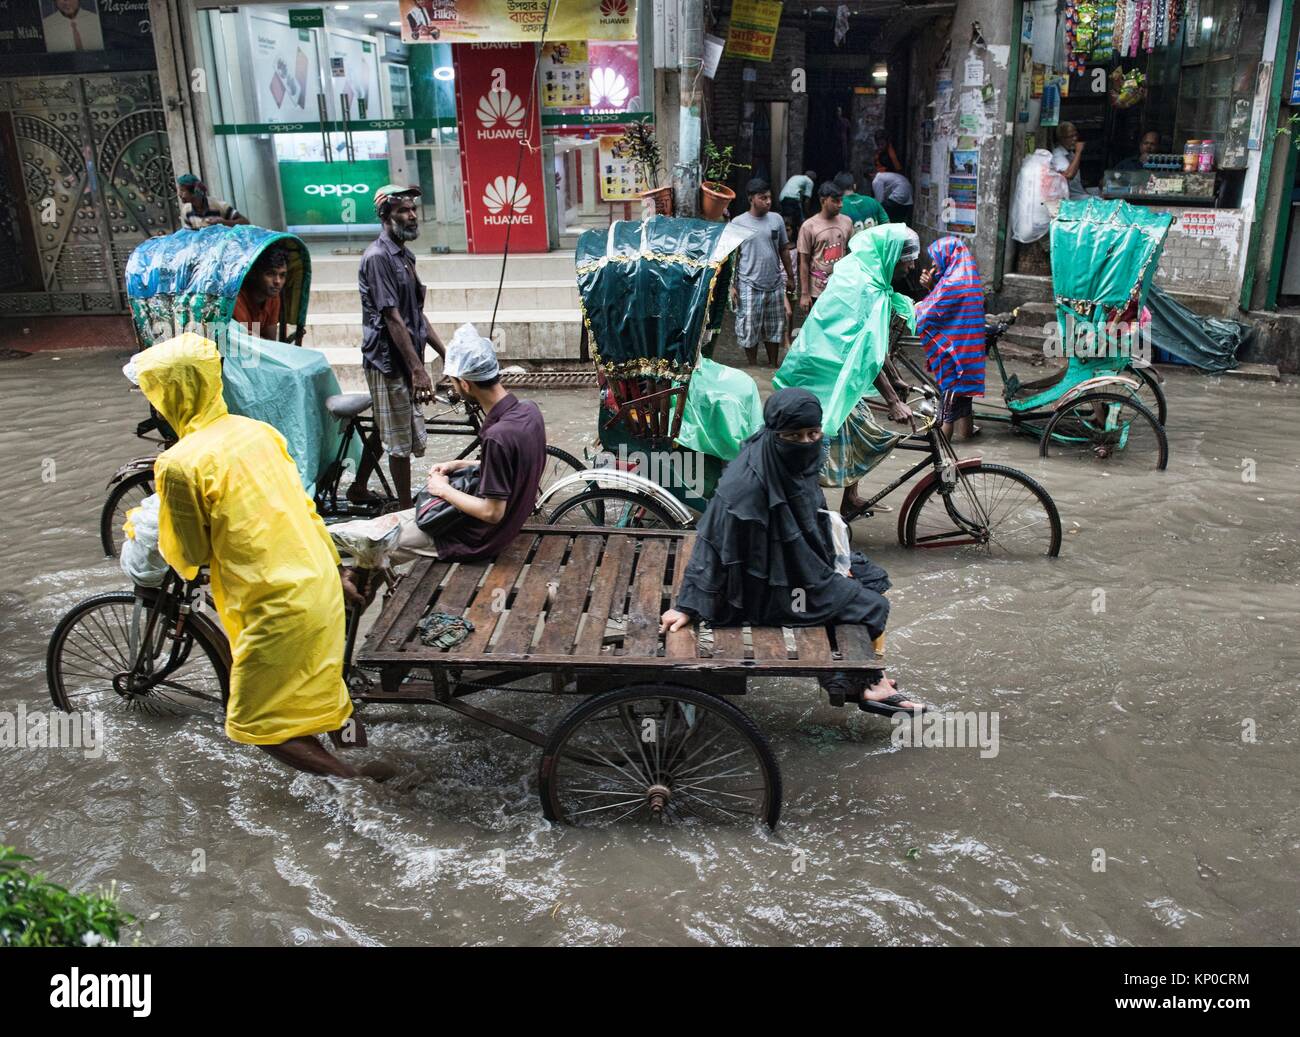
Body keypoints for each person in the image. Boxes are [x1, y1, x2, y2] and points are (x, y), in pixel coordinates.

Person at [129, 334, 391, 780]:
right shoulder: (258, 432)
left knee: (254, 724)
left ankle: (359, 785)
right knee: (320, 690)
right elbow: (304, 510)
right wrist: (337, 571)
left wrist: (145, 526)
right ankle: (363, 761)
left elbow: (189, 552)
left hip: (275, 603)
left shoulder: (177, 464)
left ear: (167, 395)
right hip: (320, 582)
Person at [660, 389, 926, 716]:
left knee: (869, 577)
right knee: (873, 605)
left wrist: (833, 563)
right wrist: (689, 605)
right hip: (763, 588)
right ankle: (871, 685)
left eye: (813, 434)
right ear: (775, 434)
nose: (805, 442)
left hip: (794, 565)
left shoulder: (784, 456)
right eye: (794, 436)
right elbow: (712, 542)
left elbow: (811, 517)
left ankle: (864, 675)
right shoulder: (746, 485)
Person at [334, 326, 546, 569]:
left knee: (366, 541)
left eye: (454, 382)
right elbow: (513, 466)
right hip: (491, 528)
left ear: (465, 384)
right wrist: (459, 464)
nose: (453, 388)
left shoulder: (498, 436)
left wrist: (442, 489)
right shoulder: (529, 411)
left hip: (471, 537)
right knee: (375, 535)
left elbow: (492, 512)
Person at [774, 224, 919, 522]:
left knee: (858, 428)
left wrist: (895, 378)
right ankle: (805, 513)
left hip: (835, 370)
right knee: (818, 441)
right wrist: (892, 401)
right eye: (908, 258)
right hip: (819, 374)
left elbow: (873, 342)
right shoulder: (864, 287)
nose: (912, 265)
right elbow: (863, 352)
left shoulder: (865, 273)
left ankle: (850, 499)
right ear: (891, 255)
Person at [354, 184, 447, 510]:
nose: (411, 216)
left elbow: (416, 314)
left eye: (413, 210)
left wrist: (446, 353)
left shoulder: (404, 255)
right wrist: (418, 370)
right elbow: (393, 318)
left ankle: (358, 485)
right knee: (398, 441)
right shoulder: (379, 258)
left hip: (405, 356)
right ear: (385, 216)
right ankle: (407, 511)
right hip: (388, 361)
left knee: (386, 430)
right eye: (403, 211)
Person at [915, 236, 986, 441]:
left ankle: (939, 457)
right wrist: (932, 285)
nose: (934, 263)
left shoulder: (952, 283)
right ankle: (967, 448)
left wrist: (915, 308)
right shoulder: (966, 278)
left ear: (947, 256)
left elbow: (929, 313)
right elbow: (949, 309)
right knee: (964, 409)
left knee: (945, 414)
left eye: (936, 258)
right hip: (968, 358)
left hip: (955, 361)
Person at [729, 177, 795, 368]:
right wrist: (732, 286)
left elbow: (784, 248)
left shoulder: (776, 220)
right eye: (763, 198)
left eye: (769, 198)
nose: (768, 201)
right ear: (751, 199)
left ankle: (773, 366)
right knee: (750, 328)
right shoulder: (738, 222)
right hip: (748, 283)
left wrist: (790, 277)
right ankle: (753, 367)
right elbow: (734, 256)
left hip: (774, 282)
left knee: (775, 327)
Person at [797, 181, 853, 314]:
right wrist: (805, 294)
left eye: (841, 200)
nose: (840, 205)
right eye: (835, 201)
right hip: (817, 291)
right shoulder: (809, 226)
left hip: (840, 288)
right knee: (816, 330)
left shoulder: (847, 222)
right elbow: (803, 262)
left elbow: (852, 255)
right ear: (823, 201)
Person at [233, 246, 300, 343]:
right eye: (270, 274)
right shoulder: (237, 299)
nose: (277, 281)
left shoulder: (273, 297)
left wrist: (259, 339)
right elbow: (247, 344)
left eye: (282, 275)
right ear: (255, 274)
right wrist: (259, 340)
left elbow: (270, 341)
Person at [176, 174, 248, 230]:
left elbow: (245, 223)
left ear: (194, 192)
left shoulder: (219, 206)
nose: (179, 194)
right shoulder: (186, 211)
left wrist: (223, 222)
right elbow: (190, 233)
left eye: (182, 190)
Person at [834, 171, 889, 236]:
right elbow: (887, 224)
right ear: (854, 186)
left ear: (837, 189)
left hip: (853, 245)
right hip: (876, 244)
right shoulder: (872, 201)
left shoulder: (837, 208)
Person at [1052, 122, 1088, 200]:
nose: (1075, 139)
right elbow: (1069, 175)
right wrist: (1078, 152)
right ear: (1061, 138)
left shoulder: (1070, 153)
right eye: (1070, 136)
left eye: (1075, 135)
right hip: (1071, 199)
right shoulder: (1058, 154)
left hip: (1079, 194)